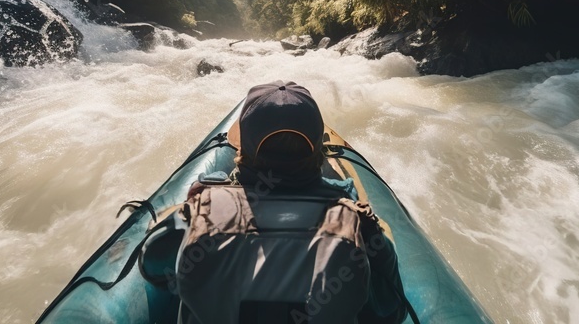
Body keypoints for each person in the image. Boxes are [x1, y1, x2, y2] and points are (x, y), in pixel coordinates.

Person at [140, 81, 408, 324]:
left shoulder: (203, 212)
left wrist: (189, 209)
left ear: (243, 148)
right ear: (318, 151)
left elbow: (152, 264)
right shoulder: (356, 223)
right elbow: (391, 311)